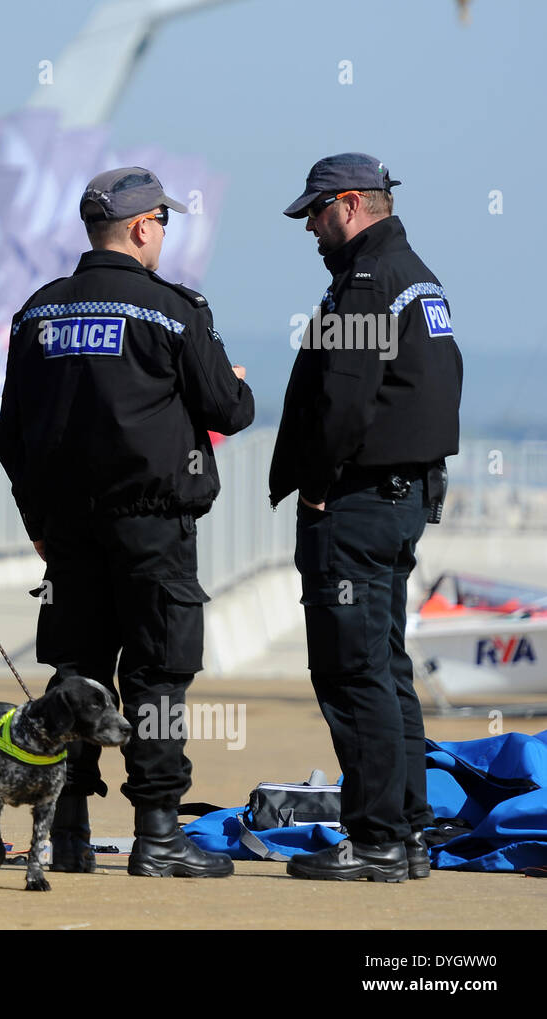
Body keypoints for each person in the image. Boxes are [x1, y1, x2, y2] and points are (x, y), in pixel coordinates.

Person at [0, 167, 253, 877]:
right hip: (153, 529)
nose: (165, 233)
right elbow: (228, 410)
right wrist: (234, 381)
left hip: (69, 534)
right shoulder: (174, 310)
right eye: (163, 222)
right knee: (158, 676)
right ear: (142, 227)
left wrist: (39, 522)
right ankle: (159, 836)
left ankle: (70, 834)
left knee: (74, 674)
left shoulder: (36, 312)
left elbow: (10, 439)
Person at [272, 153, 461, 882]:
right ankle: (409, 831)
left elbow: (346, 399)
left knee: (353, 671)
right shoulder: (419, 278)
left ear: (351, 204)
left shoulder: (366, 283)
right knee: (385, 665)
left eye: (316, 214)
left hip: (357, 505)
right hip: (403, 501)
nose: (311, 230)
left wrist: (317, 486)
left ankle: (377, 836)